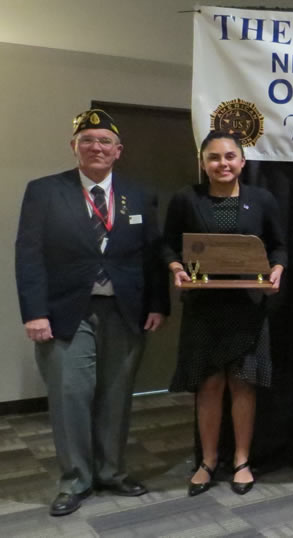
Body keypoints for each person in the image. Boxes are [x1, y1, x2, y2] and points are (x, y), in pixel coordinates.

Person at [15, 109, 169, 516]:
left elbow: (152, 256)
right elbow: (28, 256)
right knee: (71, 397)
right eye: (87, 140)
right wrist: (34, 312)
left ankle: (112, 473)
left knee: (116, 397)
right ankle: (75, 481)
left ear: (118, 151)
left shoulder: (138, 194)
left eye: (104, 141)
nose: (96, 147)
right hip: (65, 311)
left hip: (124, 310)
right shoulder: (45, 191)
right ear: (74, 147)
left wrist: (158, 303)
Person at [163, 131, 286, 497]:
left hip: (247, 306)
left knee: (243, 383)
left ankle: (242, 461)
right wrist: (175, 267)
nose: (223, 164)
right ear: (203, 163)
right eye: (214, 158)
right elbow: (168, 243)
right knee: (209, 384)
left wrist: (277, 270)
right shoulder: (186, 198)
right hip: (204, 307)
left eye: (230, 157)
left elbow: (278, 246)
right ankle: (208, 460)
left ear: (242, 162)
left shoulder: (262, 200)